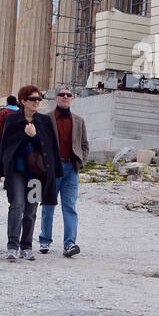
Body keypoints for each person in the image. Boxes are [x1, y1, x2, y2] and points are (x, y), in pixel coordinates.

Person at [0, 84, 61, 261]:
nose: (37, 102)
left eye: (39, 98)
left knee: (31, 209)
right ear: (23, 101)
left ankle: (26, 246)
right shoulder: (12, 120)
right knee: (17, 205)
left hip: (36, 173)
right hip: (17, 170)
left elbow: (49, 147)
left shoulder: (45, 121)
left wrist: (35, 136)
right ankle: (12, 245)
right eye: (33, 99)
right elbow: (7, 147)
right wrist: (26, 136)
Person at [40, 86, 89, 256]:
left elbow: (84, 144)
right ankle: (45, 240)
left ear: (72, 99)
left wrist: (81, 161)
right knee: (48, 206)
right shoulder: (46, 119)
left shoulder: (79, 120)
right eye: (62, 95)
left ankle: (70, 244)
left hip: (71, 169)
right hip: (52, 168)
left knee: (70, 207)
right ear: (56, 98)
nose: (65, 97)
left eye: (68, 95)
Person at [0, 96, 20, 190]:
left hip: (5, 140)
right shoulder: (20, 112)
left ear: (7, 102)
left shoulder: (4, 112)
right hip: (17, 141)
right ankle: (8, 184)